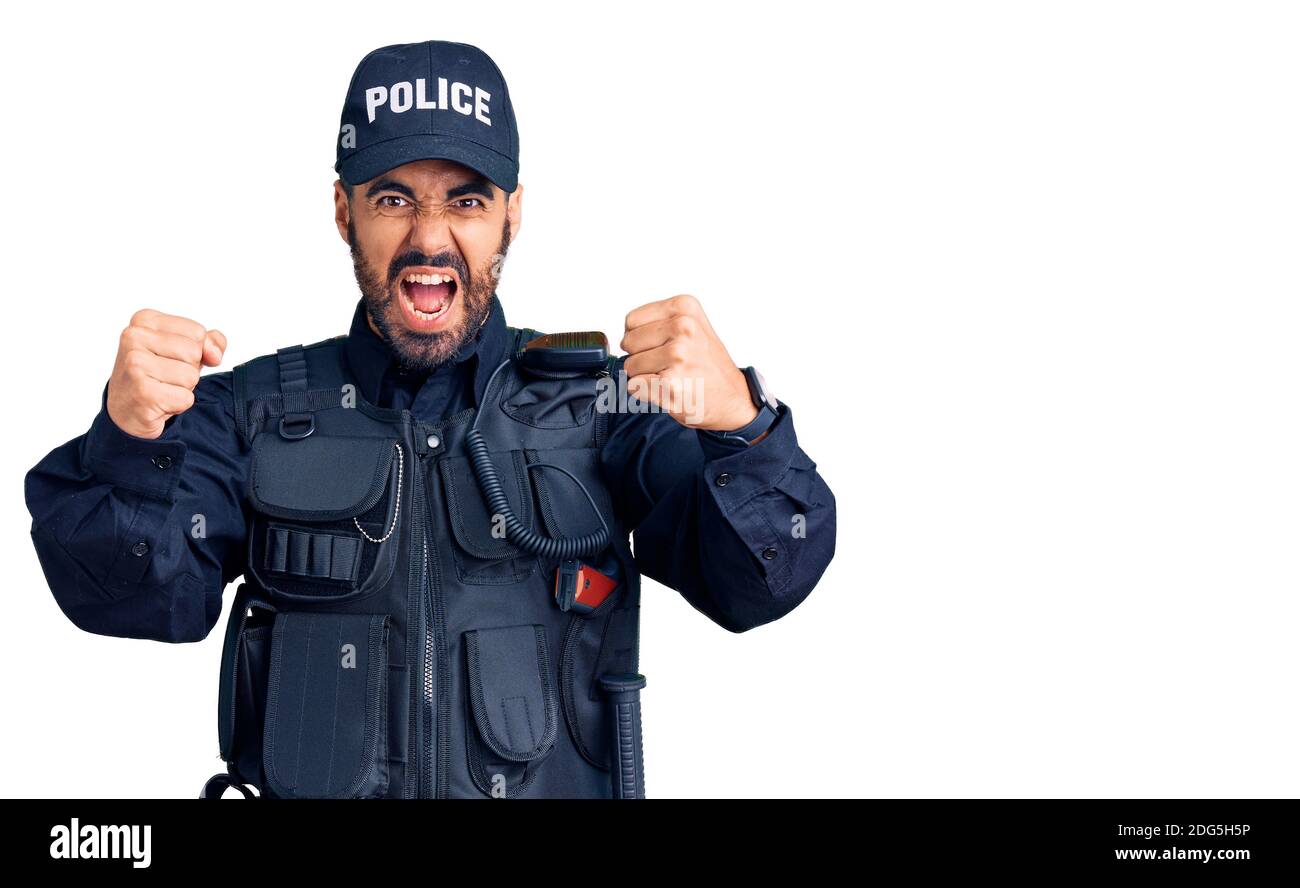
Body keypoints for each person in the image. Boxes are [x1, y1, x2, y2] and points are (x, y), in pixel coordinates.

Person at [24, 40, 836, 798]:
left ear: (512, 214)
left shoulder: (606, 406)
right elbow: (131, 600)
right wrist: (130, 438)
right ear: (344, 213)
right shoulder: (251, 411)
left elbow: (762, 584)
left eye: (466, 201)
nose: (430, 239)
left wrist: (741, 426)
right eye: (392, 198)